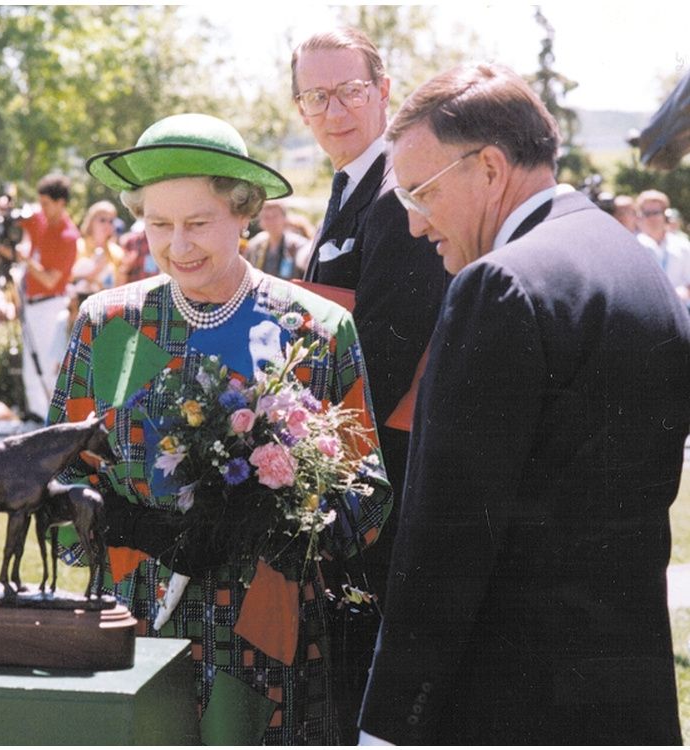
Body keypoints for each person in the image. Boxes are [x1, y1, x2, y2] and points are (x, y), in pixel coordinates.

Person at [357, 62, 690, 746]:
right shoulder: (630, 264)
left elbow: (444, 538)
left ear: (488, 168)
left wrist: (388, 727)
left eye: (419, 193)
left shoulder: (501, 287)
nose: (417, 227)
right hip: (627, 693)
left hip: (510, 701)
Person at [49, 113, 392, 744]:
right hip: (134, 619)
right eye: (159, 225)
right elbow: (57, 475)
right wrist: (140, 527)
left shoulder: (311, 329)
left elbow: (364, 495)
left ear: (245, 214)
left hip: (266, 634)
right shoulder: (110, 323)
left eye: (198, 223)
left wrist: (274, 519)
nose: (178, 245)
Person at [291, 26, 448, 738]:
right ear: (299, 110)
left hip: (380, 466)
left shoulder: (395, 193)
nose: (335, 110)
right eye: (316, 96)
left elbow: (386, 349)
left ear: (384, 93)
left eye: (350, 90)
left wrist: (315, 457)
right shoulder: (350, 185)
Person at [16, 174, 79, 423]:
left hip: (51, 304)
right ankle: (35, 418)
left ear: (61, 202)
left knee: (47, 366)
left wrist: (25, 260)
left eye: (46, 204)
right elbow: (20, 221)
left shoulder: (68, 235)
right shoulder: (40, 220)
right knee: (29, 369)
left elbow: (51, 280)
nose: (41, 209)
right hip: (31, 305)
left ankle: (50, 421)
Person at [636, 188, 690, 303]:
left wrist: (684, 292)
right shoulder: (633, 246)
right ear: (640, 216)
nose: (652, 218)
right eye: (647, 213)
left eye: (656, 213)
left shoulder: (682, 245)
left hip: (680, 311)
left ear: (665, 215)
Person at [71, 199, 125, 299]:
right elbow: (68, 280)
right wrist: (95, 271)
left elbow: (119, 288)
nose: (107, 225)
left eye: (111, 221)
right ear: (91, 221)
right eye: (102, 220)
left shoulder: (118, 252)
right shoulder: (77, 246)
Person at [244, 199, 309, 279]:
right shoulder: (255, 245)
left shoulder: (298, 245)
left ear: (285, 218)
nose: (271, 221)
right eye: (266, 217)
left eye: (275, 216)